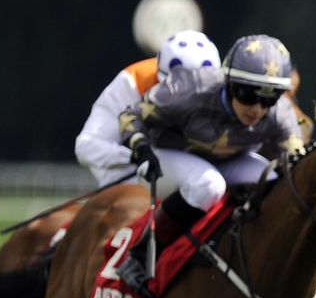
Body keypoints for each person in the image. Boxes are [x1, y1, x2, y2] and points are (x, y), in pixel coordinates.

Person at [115, 34, 305, 294]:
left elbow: (297, 164)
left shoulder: (280, 114)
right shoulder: (188, 90)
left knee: (270, 182)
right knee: (208, 184)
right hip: (167, 156)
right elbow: (130, 115)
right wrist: (140, 146)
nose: (257, 109)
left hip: (225, 160)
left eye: (270, 98)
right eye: (248, 94)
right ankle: (138, 255)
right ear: (229, 82)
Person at [75, 31, 221, 185]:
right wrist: (136, 156)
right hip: (134, 175)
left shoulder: (227, 88)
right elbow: (86, 147)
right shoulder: (133, 81)